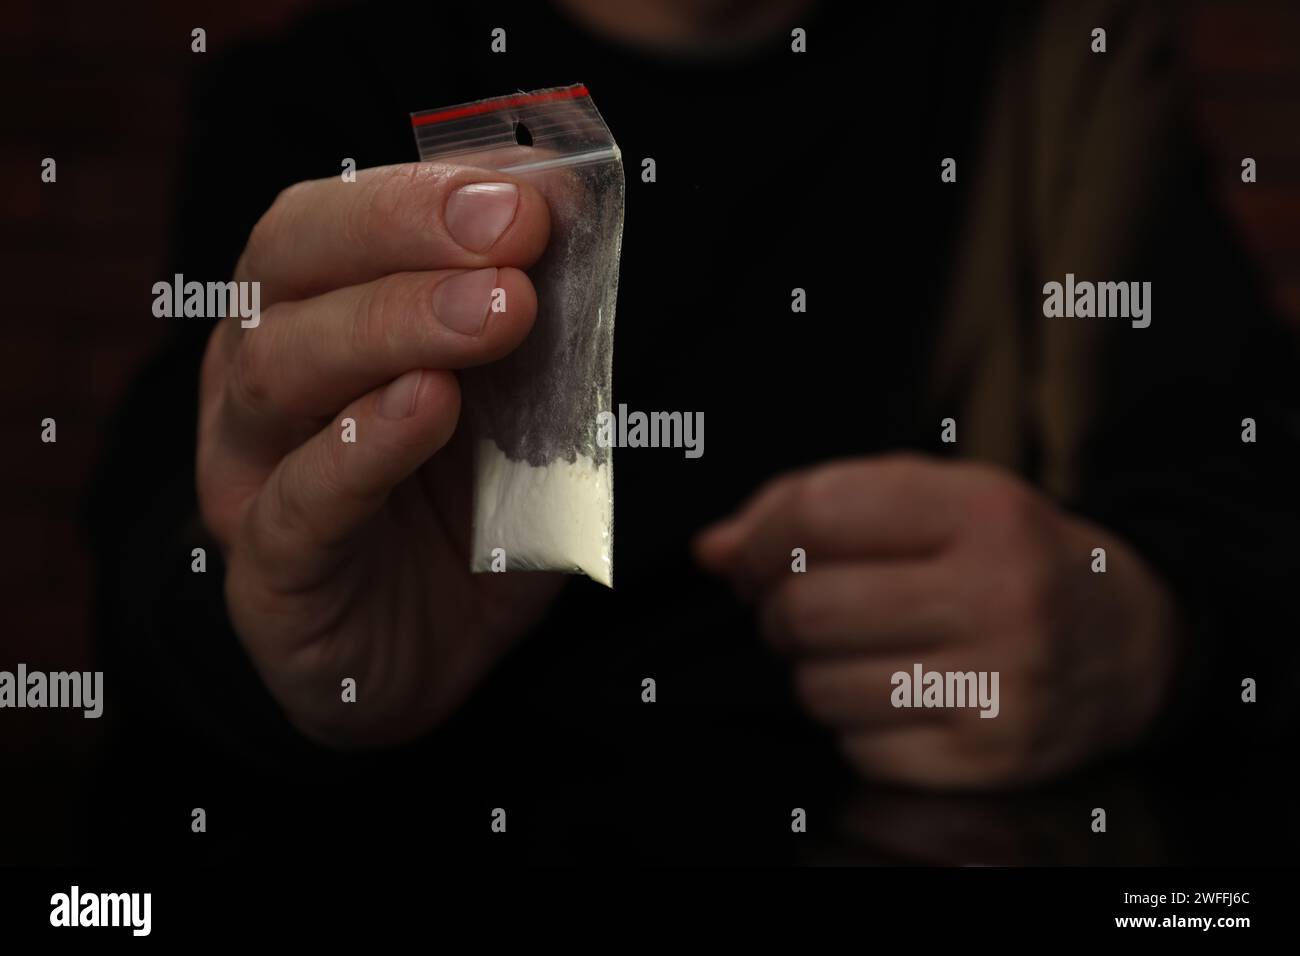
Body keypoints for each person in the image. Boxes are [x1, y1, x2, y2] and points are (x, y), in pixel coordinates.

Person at [88, 0, 1300, 863]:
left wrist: (1136, 628)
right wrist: (281, 646)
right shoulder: (331, 83)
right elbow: (146, 572)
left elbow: (1250, 499)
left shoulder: (1053, 77)